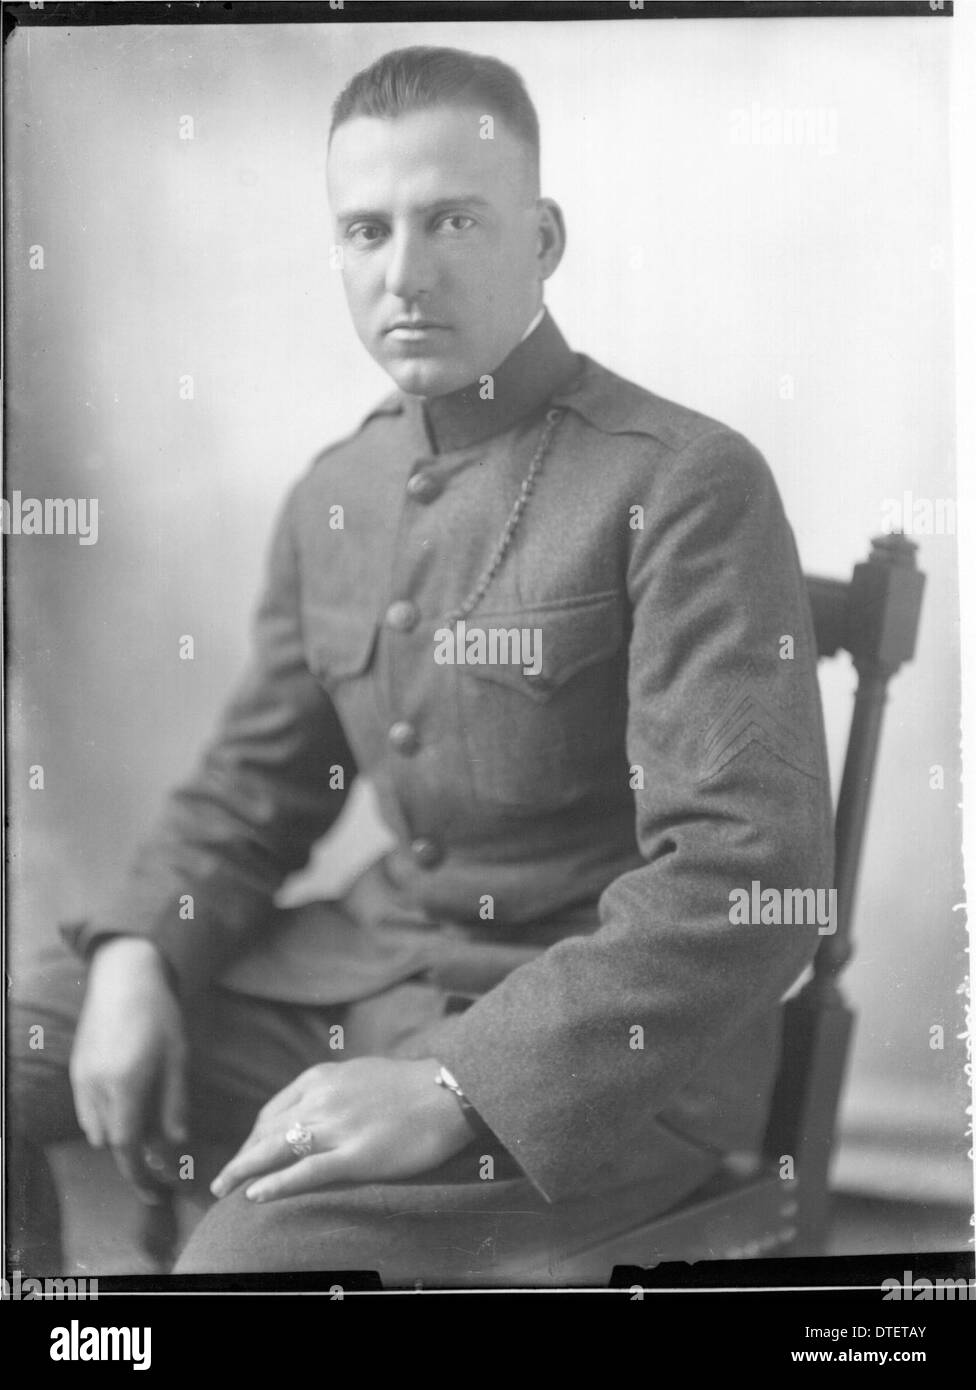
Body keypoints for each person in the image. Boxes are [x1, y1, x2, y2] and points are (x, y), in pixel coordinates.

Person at [8, 45, 834, 1287]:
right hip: (353, 974)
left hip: (605, 1060)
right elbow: (253, 787)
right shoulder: (337, 490)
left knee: (246, 1267)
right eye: (363, 229)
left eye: (452, 218)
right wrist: (135, 950)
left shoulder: (681, 481)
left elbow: (749, 875)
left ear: (544, 236)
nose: (403, 274)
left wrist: (464, 1082)